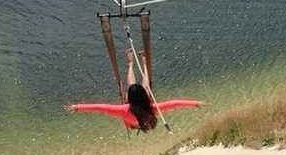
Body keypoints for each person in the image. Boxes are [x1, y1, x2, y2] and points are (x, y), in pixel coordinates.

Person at [66, 49, 207, 131]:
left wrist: (78, 107)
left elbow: (101, 108)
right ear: (144, 98)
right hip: (144, 120)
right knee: (144, 88)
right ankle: (144, 65)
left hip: (133, 125)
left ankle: (131, 64)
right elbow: (175, 103)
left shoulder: (123, 110)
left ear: (129, 100)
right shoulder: (153, 108)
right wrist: (195, 103)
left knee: (133, 88)